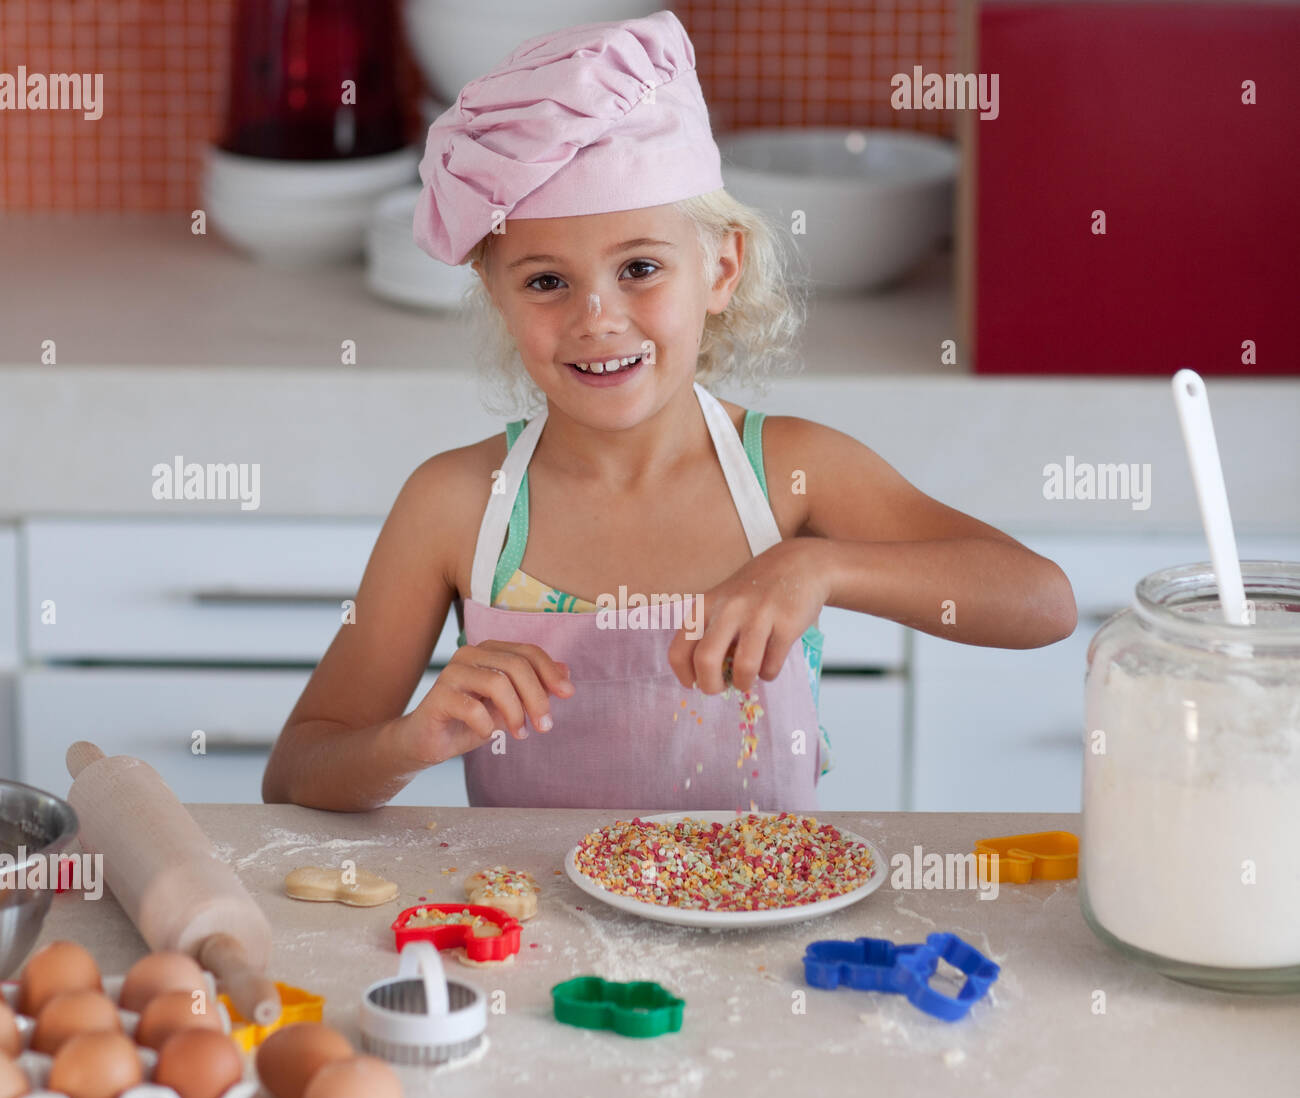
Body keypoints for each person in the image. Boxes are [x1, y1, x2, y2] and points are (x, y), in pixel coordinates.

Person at [262, 10, 1076, 813]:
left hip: (759, 941)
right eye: (546, 281)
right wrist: (409, 741)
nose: (597, 318)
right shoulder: (456, 507)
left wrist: (819, 567)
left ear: (720, 269)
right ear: (497, 297)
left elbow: (1041, 602)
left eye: (640, 268)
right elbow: (298, 769)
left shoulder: (793, 476)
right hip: (532, 947)